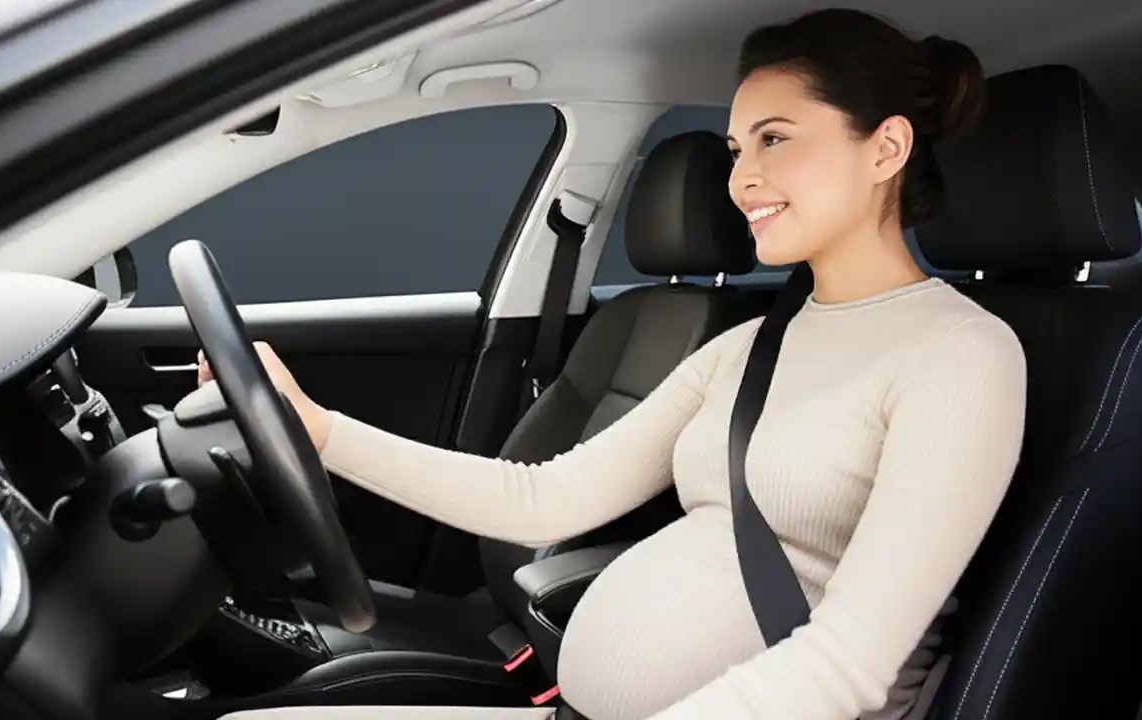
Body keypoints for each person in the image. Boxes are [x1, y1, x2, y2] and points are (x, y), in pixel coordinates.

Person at [215, 8, 1027, 720]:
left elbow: (847, 664)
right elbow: (545, 499)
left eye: (776, 139)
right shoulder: (752, 345)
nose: (742, 179)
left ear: (886, 148)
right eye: (736, 148)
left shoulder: (961, 356)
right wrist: (321, 433)